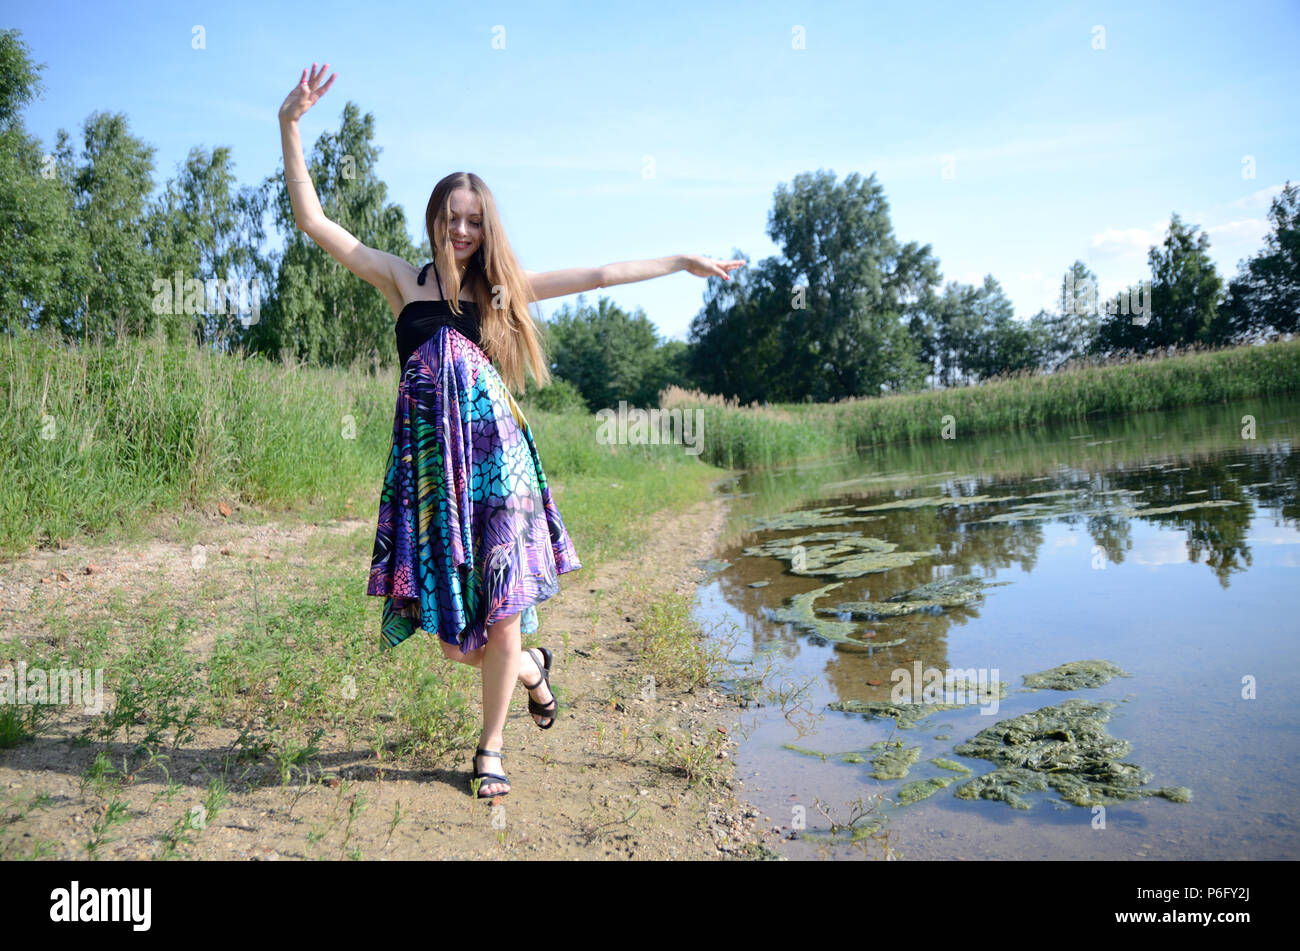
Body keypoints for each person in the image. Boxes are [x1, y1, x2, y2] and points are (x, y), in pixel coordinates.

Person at [278, 62, 744, 799]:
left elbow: (599, 271)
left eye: (473, 219)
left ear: (484, 225)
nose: (461, 230)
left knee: (498, 616)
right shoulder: (402, 281)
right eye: (451, 216)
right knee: (452, 636)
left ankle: (490, 749)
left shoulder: (500, 290)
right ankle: (531, 668)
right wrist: (291, 125)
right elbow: (315, 223)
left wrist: (681, 260)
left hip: (500, 469)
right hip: (433, 472)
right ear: (433, 216)